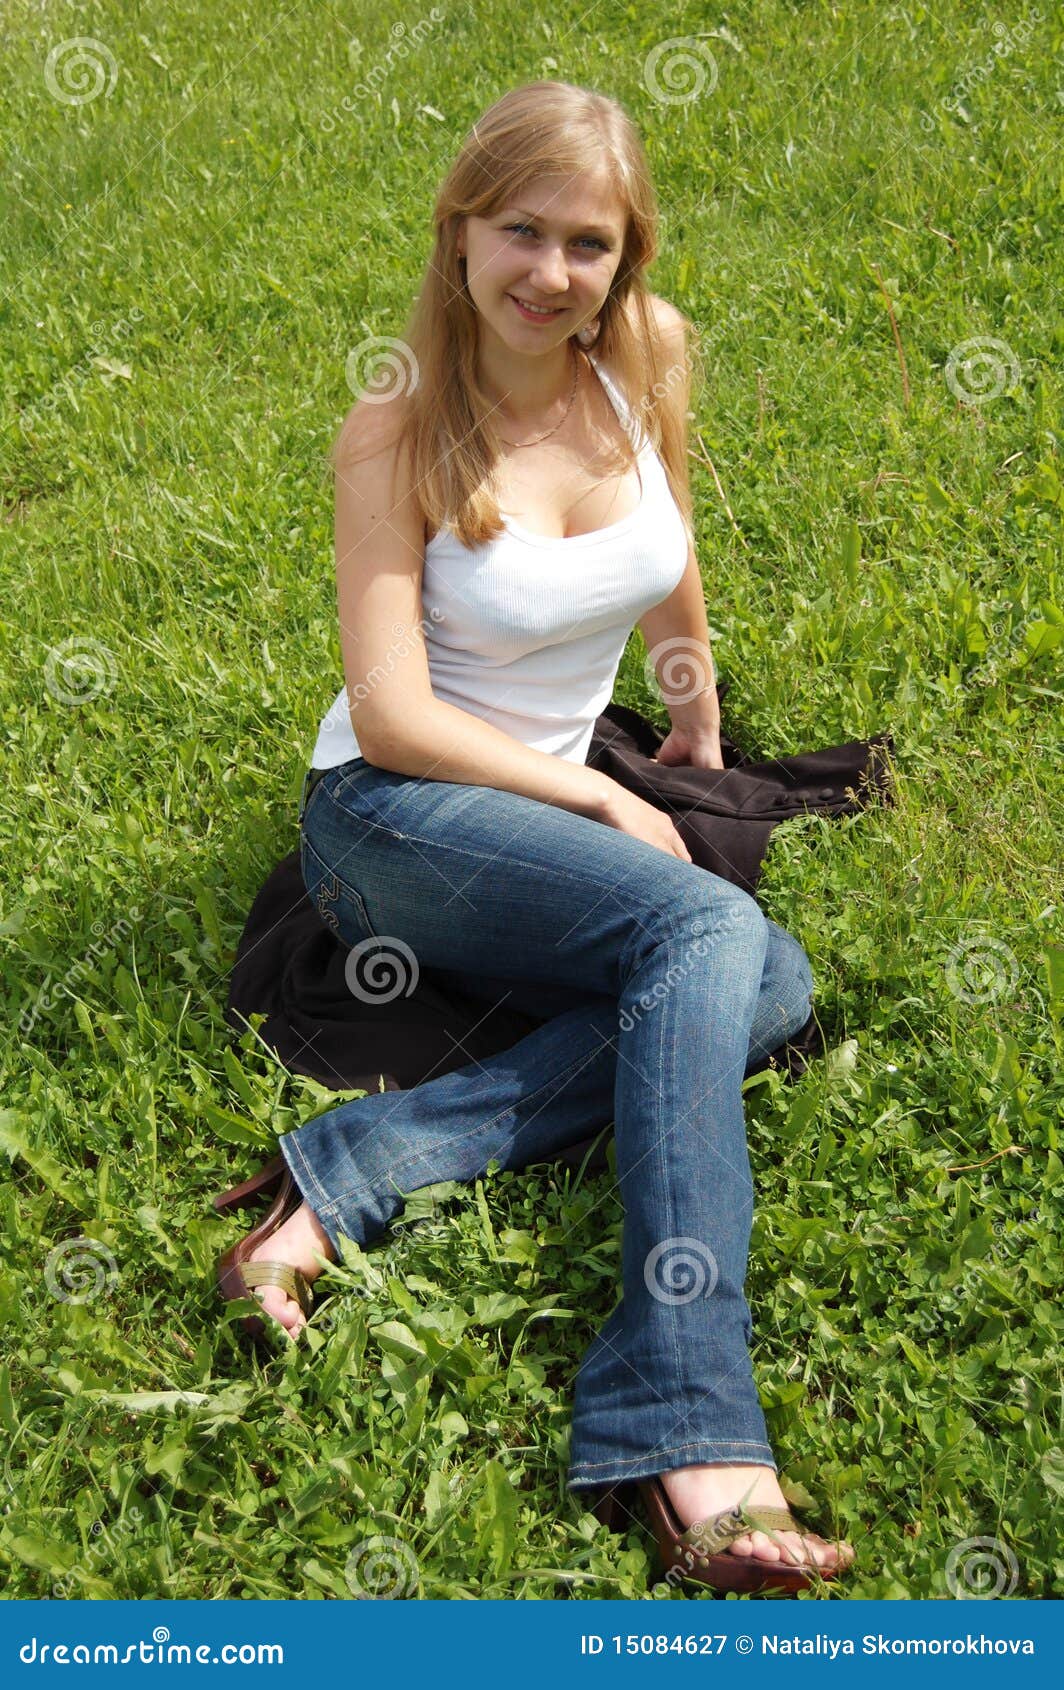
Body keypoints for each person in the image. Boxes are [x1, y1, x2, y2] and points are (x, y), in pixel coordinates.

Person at [217, 80, 856, 1594]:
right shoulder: (395, 428)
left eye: (590, 243)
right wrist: (605, 796)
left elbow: (667, 536)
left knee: (769, 983)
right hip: (395, 819)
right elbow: (393, 716)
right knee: (711, 934)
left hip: (546, 799)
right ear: (459, 232)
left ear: (627, 259)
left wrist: (691, 707)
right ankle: (688, 1426)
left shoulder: (647, 353)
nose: (552, 274)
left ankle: (350, 1171)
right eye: (522, 231)